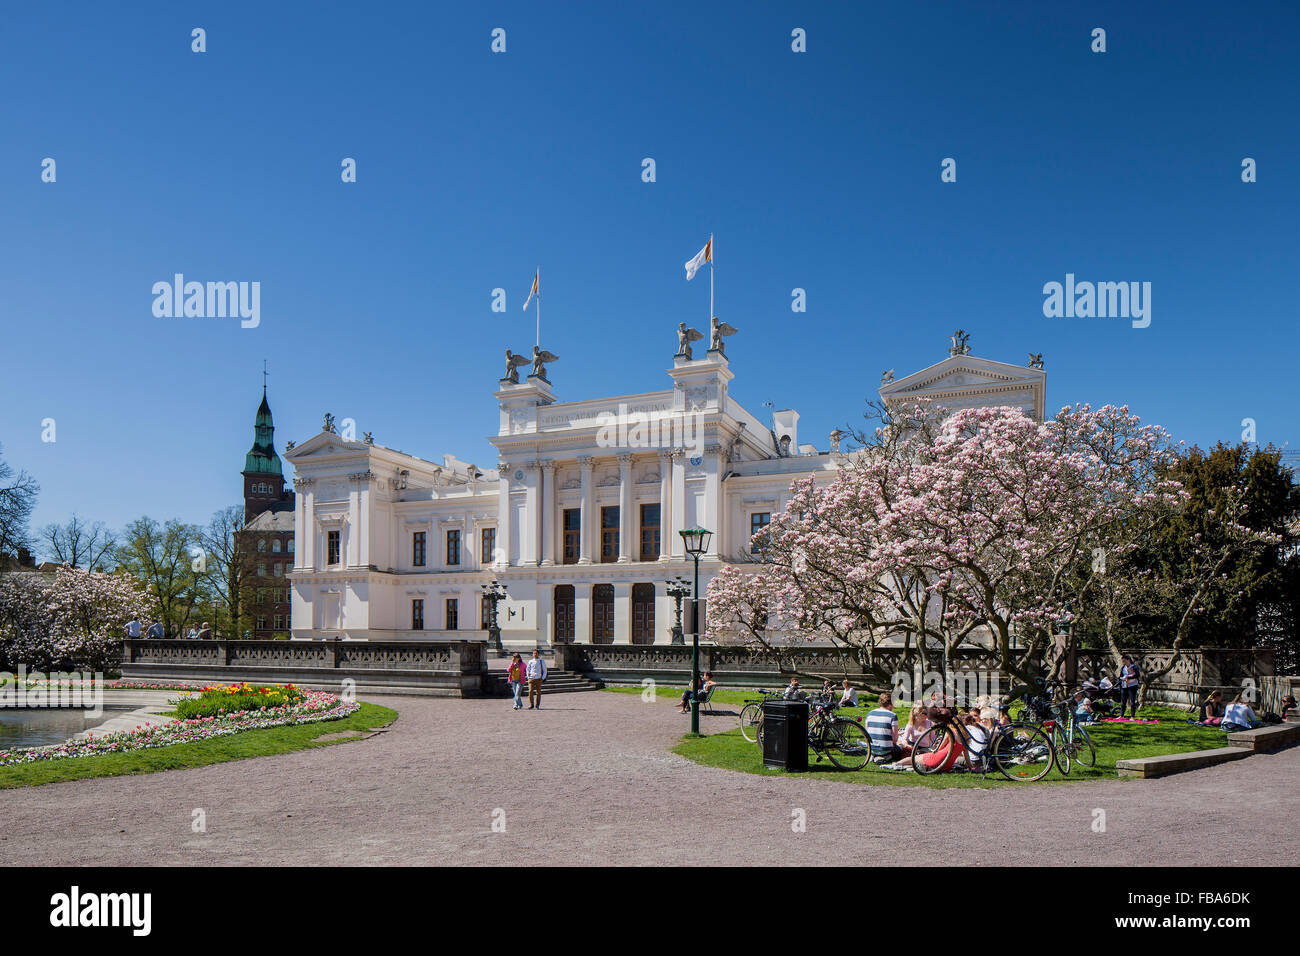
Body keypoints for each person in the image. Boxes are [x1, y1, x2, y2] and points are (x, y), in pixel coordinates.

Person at [864, 692, 902, 762]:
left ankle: (874, 755)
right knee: (900, 748)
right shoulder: (893, 716)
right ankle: (885, 756)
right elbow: (895, 739)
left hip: (871, 748)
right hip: (886, 749)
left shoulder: (869, 714)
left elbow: (867, 733)